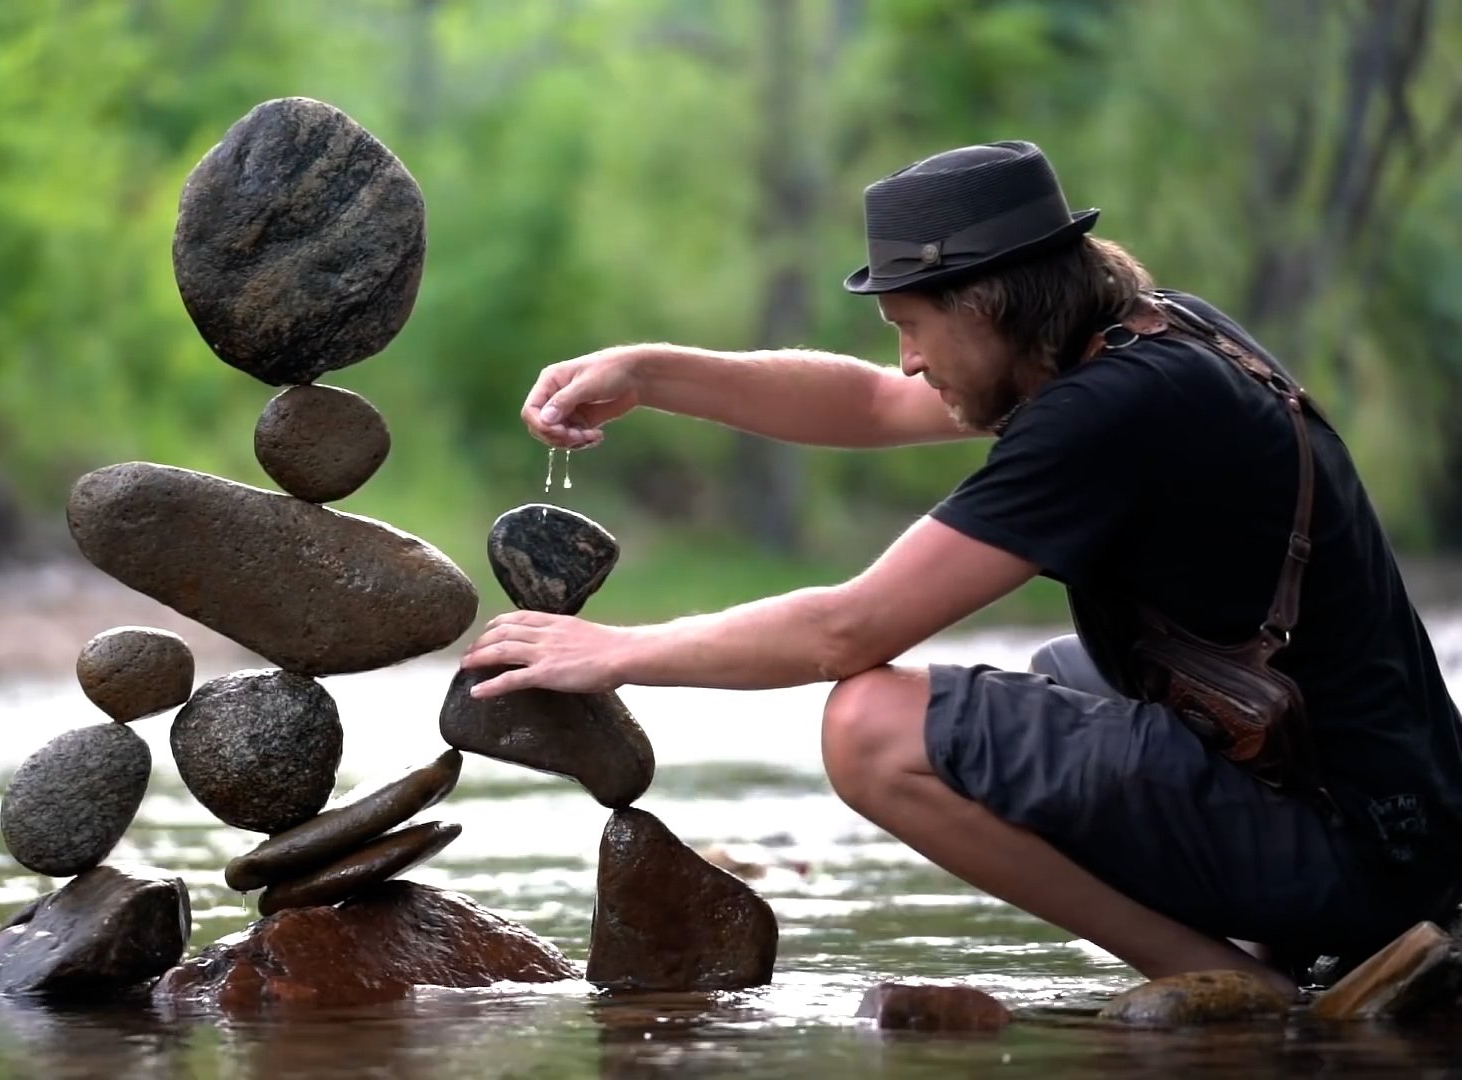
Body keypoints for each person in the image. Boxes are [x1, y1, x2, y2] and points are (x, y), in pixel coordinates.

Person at [460, 140, 1462, 993]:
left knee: (873, 727)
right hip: (1397, 818)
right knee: (1071, 670)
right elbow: (862, 406)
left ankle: (1231, 987)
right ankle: (1268, 941)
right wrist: (651, 374)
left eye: (909, 326)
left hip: (1362, 852)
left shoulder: (1103, 417)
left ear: (984, 304)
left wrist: (618, 650)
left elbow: (847, 633)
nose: (904, 361)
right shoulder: (1155, 337)